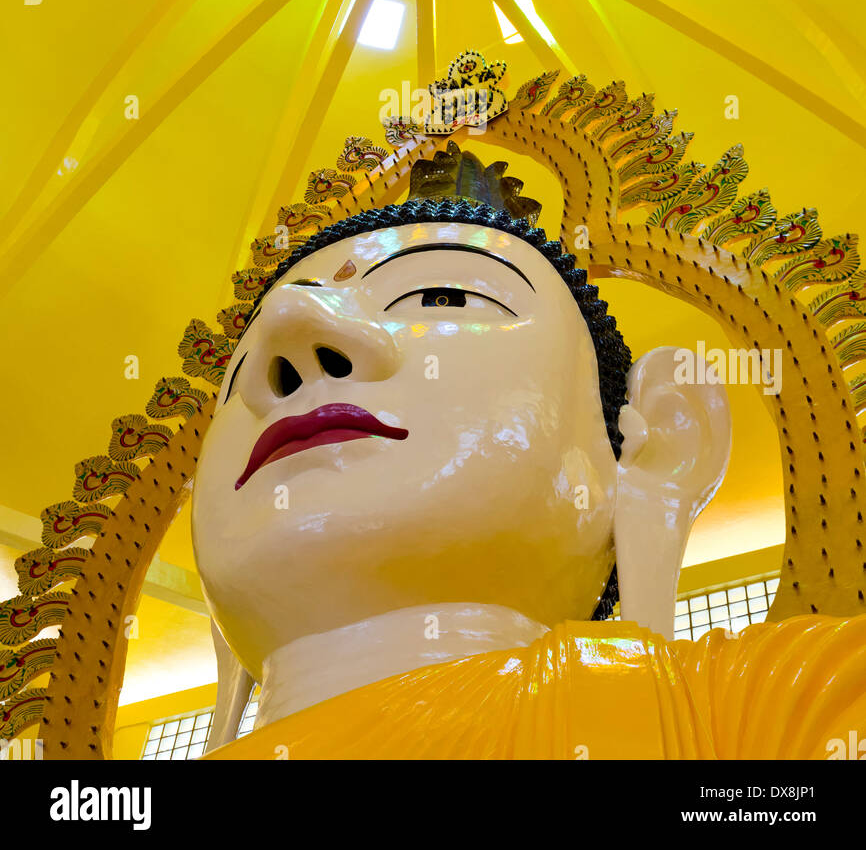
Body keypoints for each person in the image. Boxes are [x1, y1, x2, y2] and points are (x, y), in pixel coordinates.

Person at [193, 150, 866, 759]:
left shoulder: (772, 710)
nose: (287, 334)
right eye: (241, 365)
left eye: (443, 296)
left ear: (653, 451)